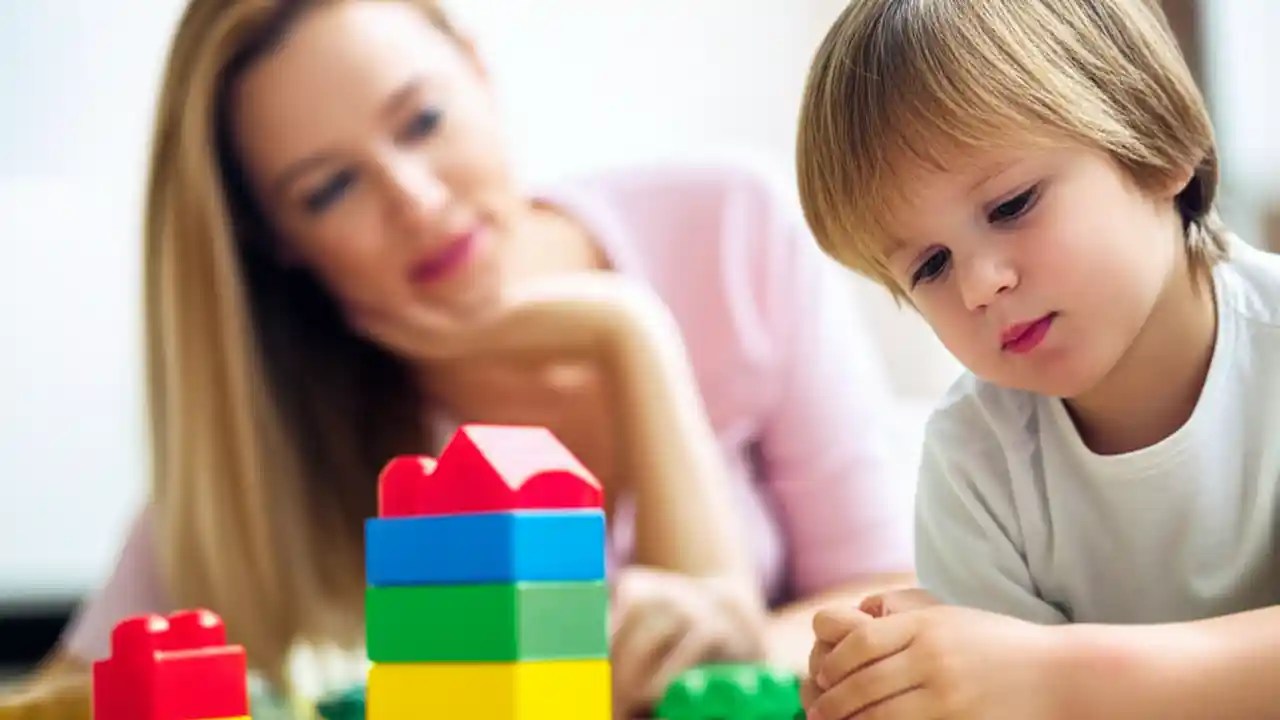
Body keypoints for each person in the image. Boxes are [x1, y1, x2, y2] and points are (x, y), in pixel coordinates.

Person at [0, 0, 914, 716]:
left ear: (478, 73)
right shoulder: (280, 420)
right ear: (276, 242)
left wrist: (630, 337)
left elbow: (880, 600)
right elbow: (63, 693)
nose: (415, 198)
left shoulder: (731, 223)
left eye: (423, 119)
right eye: (329, 189)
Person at [791, 0, 1280, 718]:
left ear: (1158, 146)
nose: (980, 283)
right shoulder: (976, 457)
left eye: (1012, 205)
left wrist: (1057, 676)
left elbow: (1039, 687)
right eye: (930, 266)